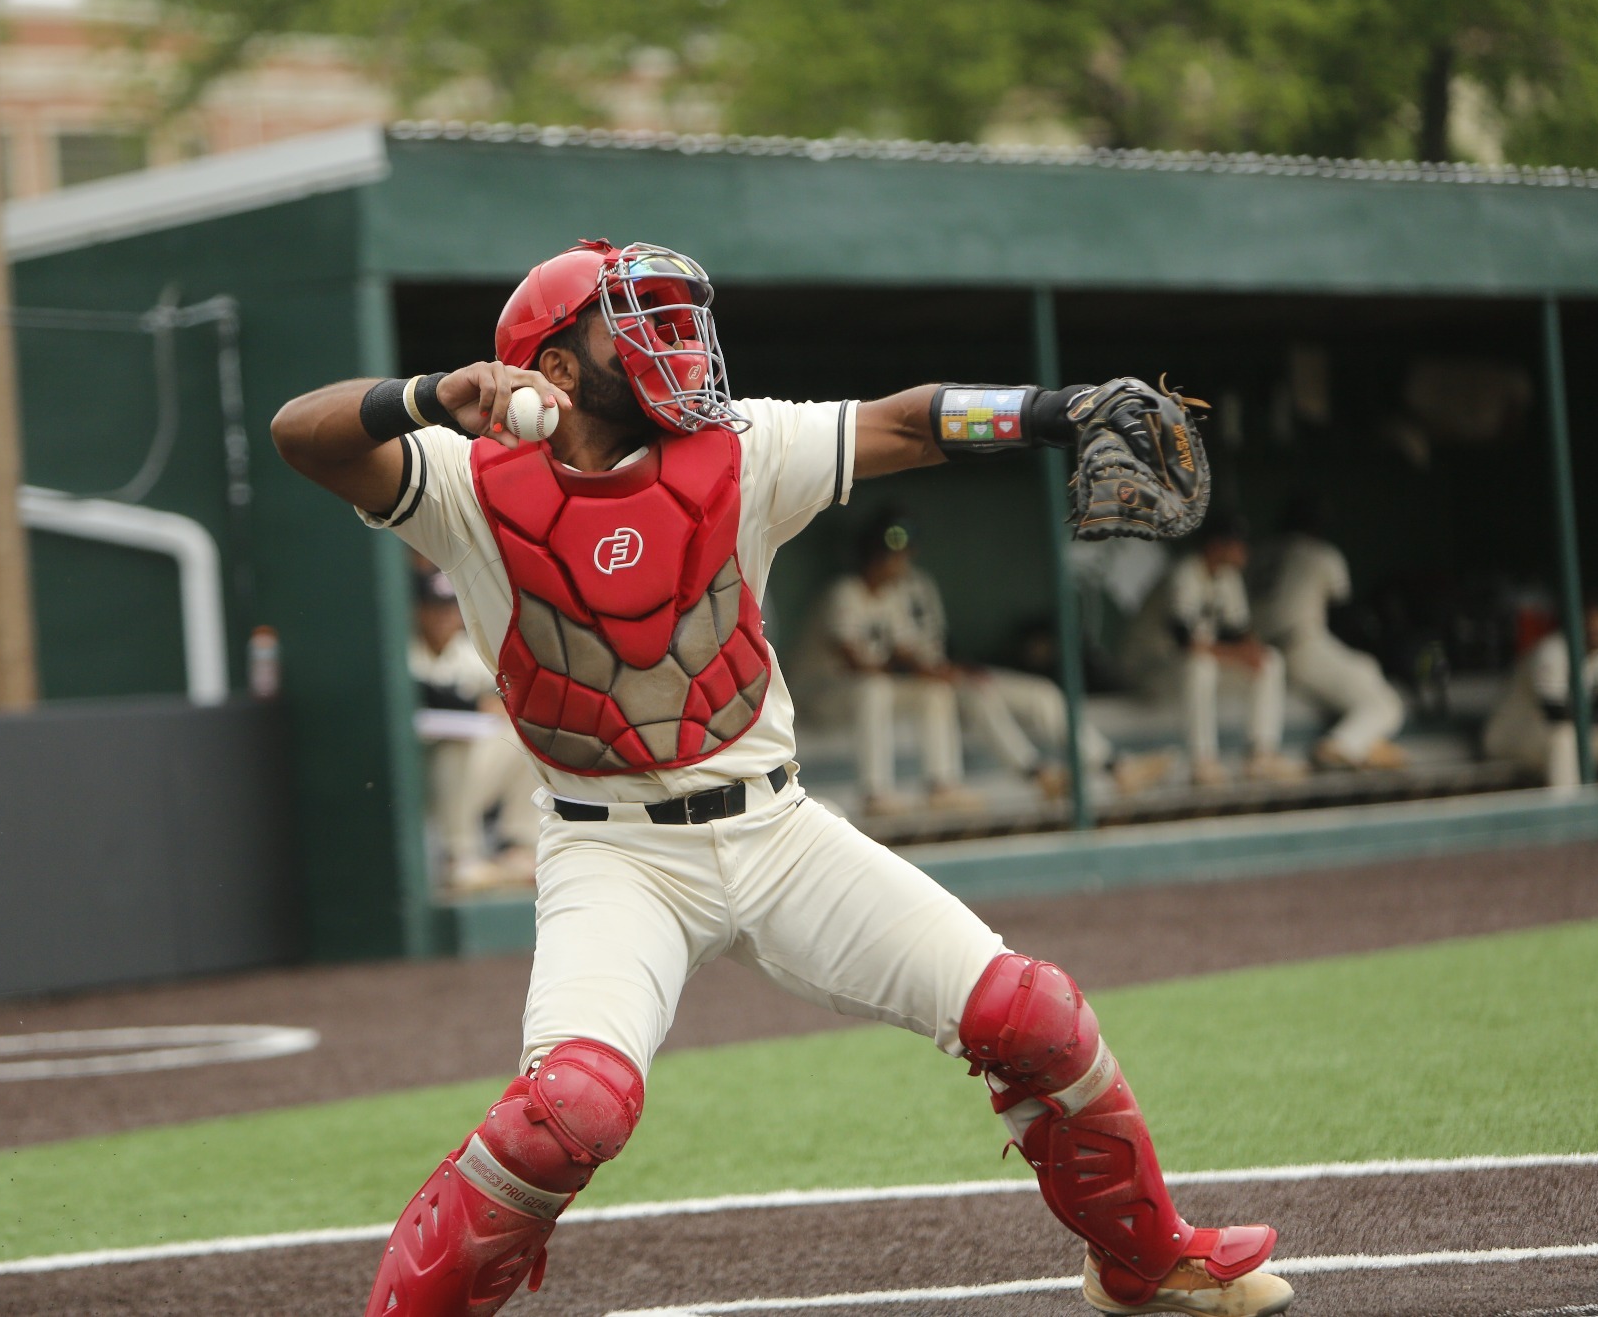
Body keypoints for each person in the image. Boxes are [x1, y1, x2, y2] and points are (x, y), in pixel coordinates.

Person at [271, 239, 1292, 1317]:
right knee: (568, 1109)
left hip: (779, 830)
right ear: (556, 370)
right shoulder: (463, 480)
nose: (679, 342)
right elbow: (301, 433)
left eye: (678, 315)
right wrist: (429, 395)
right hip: (611, 850)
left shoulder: (739, 447)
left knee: (1031, 1016)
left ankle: (1142, 1262)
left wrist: (1050, 409)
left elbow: (906, 422)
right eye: (639, 321)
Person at [875, 518, 1176, 799]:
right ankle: (1038, 774)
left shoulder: (919, 583)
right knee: (979, 694)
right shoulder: (866, 595)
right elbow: (892, 656)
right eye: (892, 552)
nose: (901, 558)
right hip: (918, 686)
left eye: (905, 550)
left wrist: (957, 667)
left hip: (948, 673)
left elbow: (943, 643)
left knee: (1043, 694)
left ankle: (1117, 766)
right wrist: (941, 672)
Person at [799, 513, 984, 816]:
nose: (903, 566)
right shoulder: (844, 592)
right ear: (876, 560)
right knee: (875, 687)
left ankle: (942, 785)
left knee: (933, 692)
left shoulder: (889, 597)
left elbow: (905, 651)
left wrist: (937, 673)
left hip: (863, 693)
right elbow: (853, 660)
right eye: (896, 559)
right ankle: (875, 793)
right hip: (821, 696)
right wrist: (904, 670)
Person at [1125, 516, 1306, 787]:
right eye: (1237, 544)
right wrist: (1238, 654)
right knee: (1201, 666)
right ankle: (1203, 761)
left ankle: (1262, 755)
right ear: (1216, 546)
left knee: (1270, 661)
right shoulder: (1185, 573)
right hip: (1151, 669)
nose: (1243, 551)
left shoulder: (1228, 577)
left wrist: (1252, 651)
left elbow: (1239, 631)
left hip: (1188, 668)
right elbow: (1186, 643)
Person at [408, 566, 542, 891]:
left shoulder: (464, 651)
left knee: (525, 735)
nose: (443, 618)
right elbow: (423, 689)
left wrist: (496, 702)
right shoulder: (406, 650)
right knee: (456, 744)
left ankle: (517, 846)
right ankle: (458, 856)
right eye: (435, 608)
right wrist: (471, 704)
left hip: (465, 779)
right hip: (416, 777)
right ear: (418, 611)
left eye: (448, 609)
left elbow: (506, 690)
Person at [1255, 502, 1408, 771]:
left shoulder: (1258, 554)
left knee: (1366, 668)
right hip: (1301, 646)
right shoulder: (1321, 553)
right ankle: (1344, 744)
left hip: (1259, 653)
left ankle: (1366, 745)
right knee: (1387, 704)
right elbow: (1344, 615)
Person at [1484, 589, 1598, 792]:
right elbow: (1554, 713)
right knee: (1563, 737)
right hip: (1514, 734)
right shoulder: (1552, 650)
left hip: (1564, 733)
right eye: (1591, 622)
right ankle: (1569, 809)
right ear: (1576, 622)